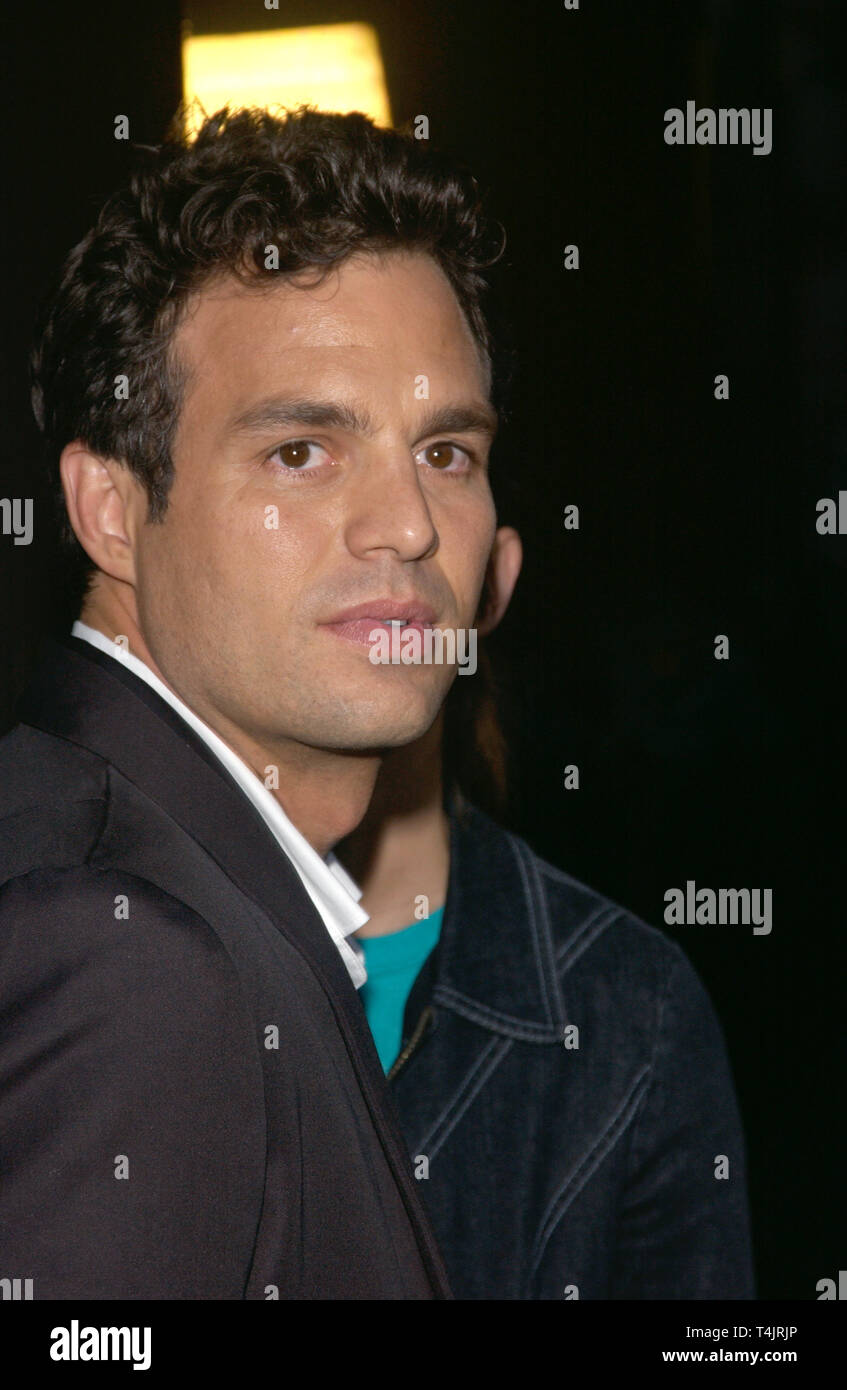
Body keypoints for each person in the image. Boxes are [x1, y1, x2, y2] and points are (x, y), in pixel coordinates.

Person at [0, 102, 521, 1299]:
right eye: (302, 450)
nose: (407, 525)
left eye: (446, 452)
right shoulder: (125, 951)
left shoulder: (173, 880)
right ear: (112, 509)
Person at [338, 597, 757, 1300]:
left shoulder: (632, 1010)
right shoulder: (118, 958)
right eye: (295, 477)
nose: (394, 528)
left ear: (494, 579)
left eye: (443, 476)